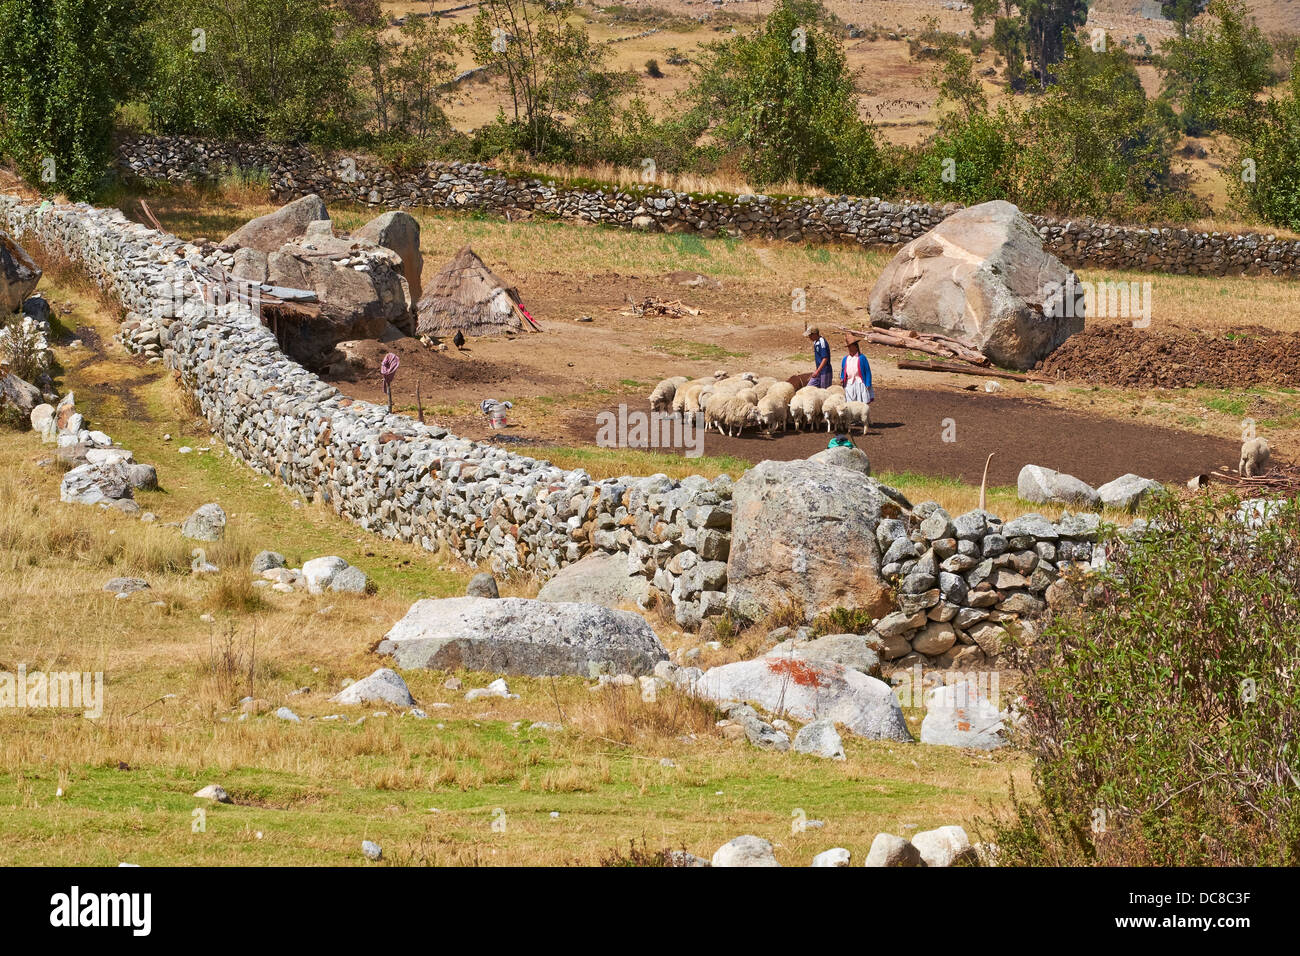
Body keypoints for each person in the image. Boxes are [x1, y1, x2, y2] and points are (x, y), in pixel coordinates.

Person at [841, 333, 874, 404]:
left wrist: (868, 384)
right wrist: (842, 378)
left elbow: (867, 371)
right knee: (850, 403)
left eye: (851, 346)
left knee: (861, 404)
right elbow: (843, 370)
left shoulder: (862, 358)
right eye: (849, 347)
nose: (850, 348)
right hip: (849, 384)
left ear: (856, 347)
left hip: (860, 383)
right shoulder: (845, 359)